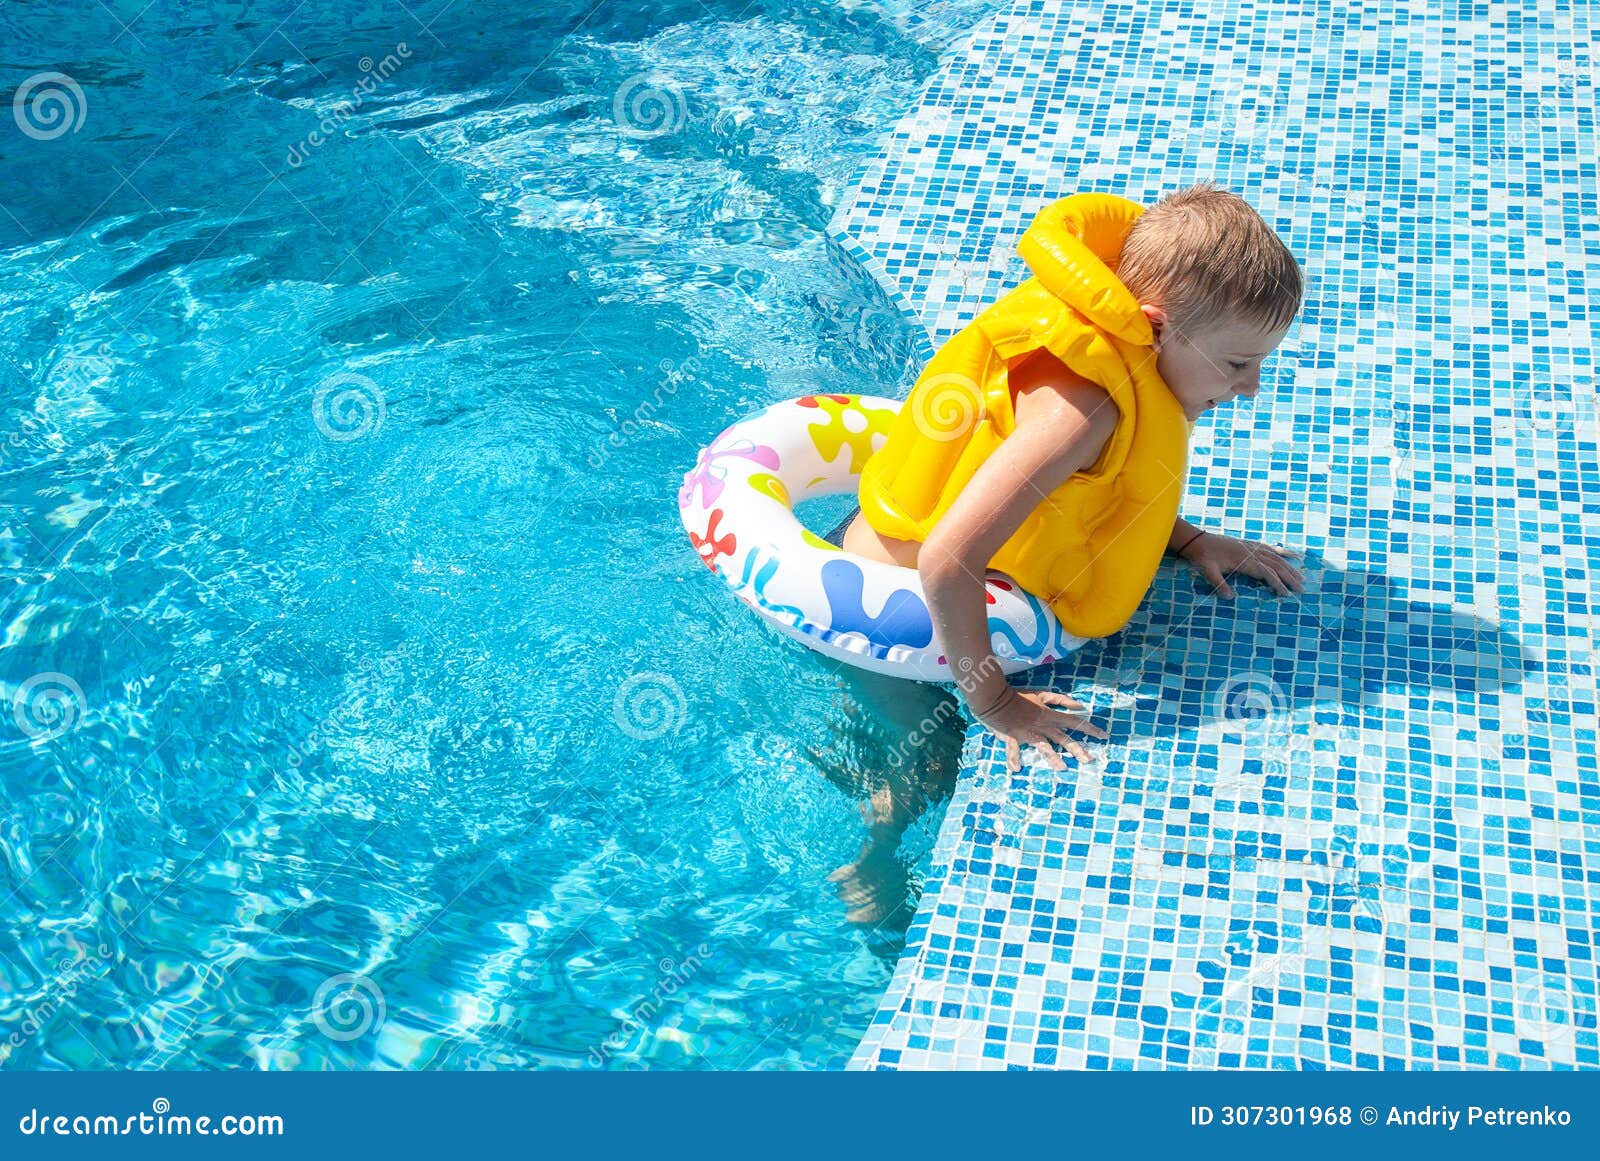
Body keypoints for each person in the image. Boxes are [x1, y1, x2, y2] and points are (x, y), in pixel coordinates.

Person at [840, 182, 1308, 773]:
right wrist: (996, 703)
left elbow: (1092, 496)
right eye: (1239, 363)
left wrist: (1189, 541)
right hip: (891, 606)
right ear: (1155, 328)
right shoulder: (1079, 413)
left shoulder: (1126, 372)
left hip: (939, 572)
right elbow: (947, 559)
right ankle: (871, 863)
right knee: (922, 768)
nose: (1251, 387)